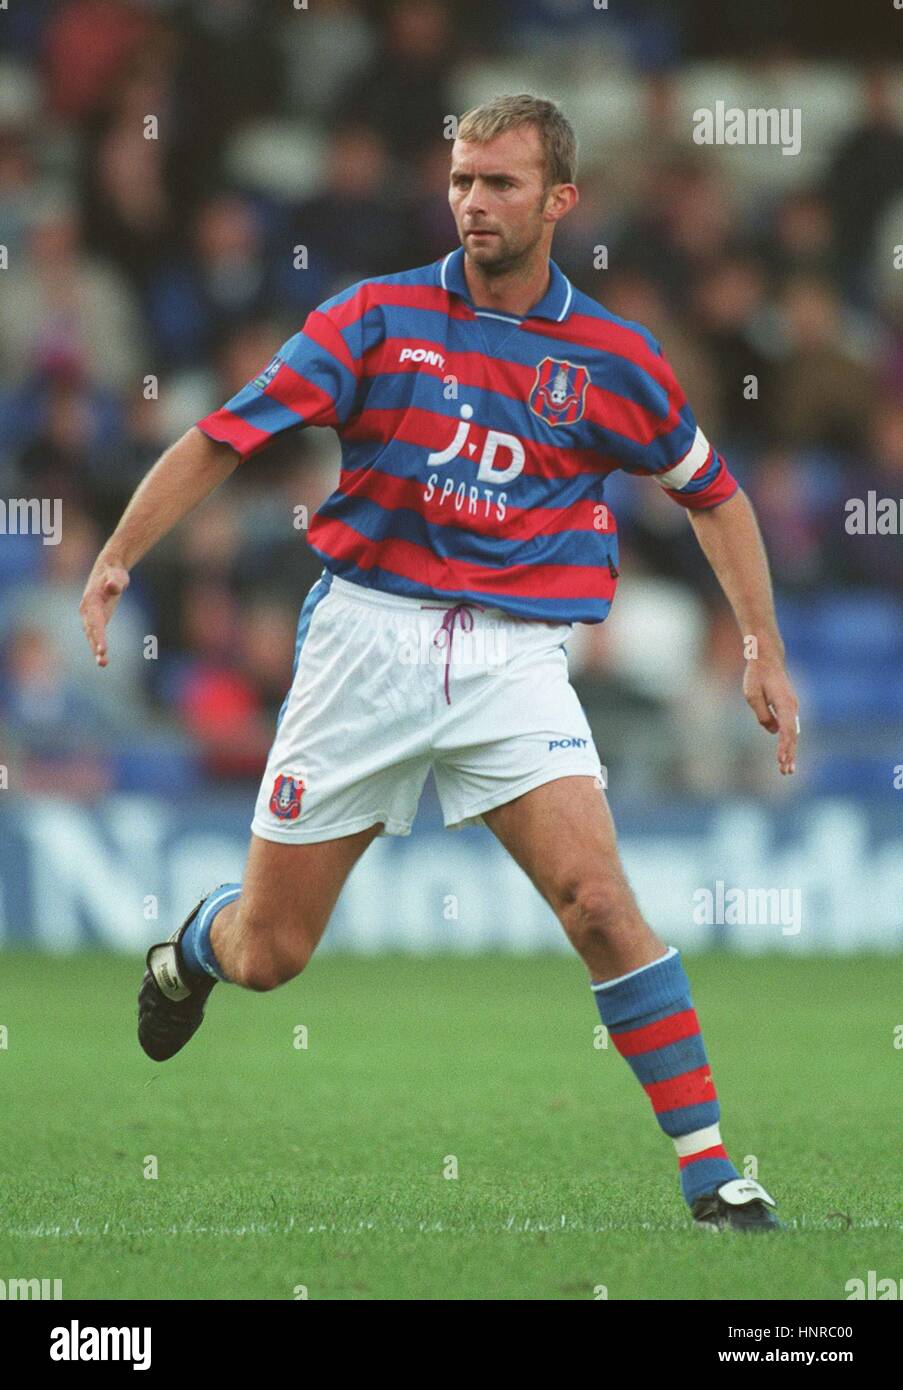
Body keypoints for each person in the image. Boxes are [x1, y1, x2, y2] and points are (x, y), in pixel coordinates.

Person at [80, 94, 799, 1232]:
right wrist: (120, 553)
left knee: (599, 904)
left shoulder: (615, 358)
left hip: (515, 658)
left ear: (560, 201)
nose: (473, 201)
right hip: (365, 643)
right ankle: (194, 948)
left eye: (501, 182)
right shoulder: (374, 318)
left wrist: (760, 647)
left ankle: (713, 1175)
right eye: (462, 179)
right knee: (270, 954)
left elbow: (714, 495)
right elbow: (227, 433)